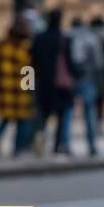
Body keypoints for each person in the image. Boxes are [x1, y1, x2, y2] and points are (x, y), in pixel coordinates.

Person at [31, 8, 74, 155]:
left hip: (43, 84)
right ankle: (60, 145)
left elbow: (30, 64)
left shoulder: (38, 38)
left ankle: (39, 145)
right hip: (61, 85)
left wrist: (27, 85)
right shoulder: (64, 39)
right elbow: (70, 64)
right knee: (63, 117)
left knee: (42, 117)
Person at [0, 20, 35, 157]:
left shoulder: (1, 45)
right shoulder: (26, 47)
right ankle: (17, 149)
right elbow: (29, 69)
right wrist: (30, 88)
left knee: (5, 118)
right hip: (22, 88)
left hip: (5, 87)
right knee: (22, 120)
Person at [68, 15, 104, 157]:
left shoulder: (66, 36)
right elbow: (99, 62)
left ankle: (65, 144)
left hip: (69, 79)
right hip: (87, 77)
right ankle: (91, 146)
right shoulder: (91, 38)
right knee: (89, 112)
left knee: (68, 112)